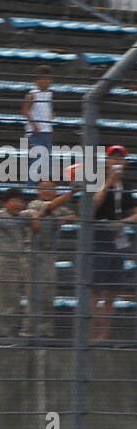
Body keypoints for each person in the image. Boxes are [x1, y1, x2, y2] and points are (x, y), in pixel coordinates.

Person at [90, 145, 137, 344]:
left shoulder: (127, 188)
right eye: (114, 159)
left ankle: (104, 334)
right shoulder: (98, 182)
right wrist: (110, 180)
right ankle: (91, 332)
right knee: (95, 290)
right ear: (107, 162)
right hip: (99, 241)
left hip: (117, 242)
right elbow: (93, 205)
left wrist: (126, 221)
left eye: (120, 159)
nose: (117, 162)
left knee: (111, 291)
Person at [0, 183, 33, 345]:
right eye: (14, 200)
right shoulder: (0, 216)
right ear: (6, 202)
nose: (18, 204)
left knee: (15, 300)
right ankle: (1, 337)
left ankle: (9, 335)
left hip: (19, 261)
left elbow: (38, 213)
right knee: (4, 300)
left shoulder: (23, 216)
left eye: (21, 201)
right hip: (4, 261)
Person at [24, 179, 76, 341]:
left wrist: (65, 219)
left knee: (48, 294)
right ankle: (29, 332)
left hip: (49, 255)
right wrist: (72, 192)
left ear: (55, 191)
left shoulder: (60, 208)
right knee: (33, 295)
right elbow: (49, 207)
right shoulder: (34, 205)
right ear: (38, 191)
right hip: (33, 254)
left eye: (50, 189)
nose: (46, 191)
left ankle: (45, 332)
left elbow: (74, 215)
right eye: (43, 188)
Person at [22, 67, 54, 182]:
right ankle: (30, 185)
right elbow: (25, 110)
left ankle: (42, 185)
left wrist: (51, 114)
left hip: (47, 130)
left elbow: (45, 108)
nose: (45, 81)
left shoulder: (49, 94)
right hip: (35, 132)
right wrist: (33, 124)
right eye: (42, 79)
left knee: (47, 160)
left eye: (47, 79)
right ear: (36, 81)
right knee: (36, 159)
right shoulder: (32, 94)